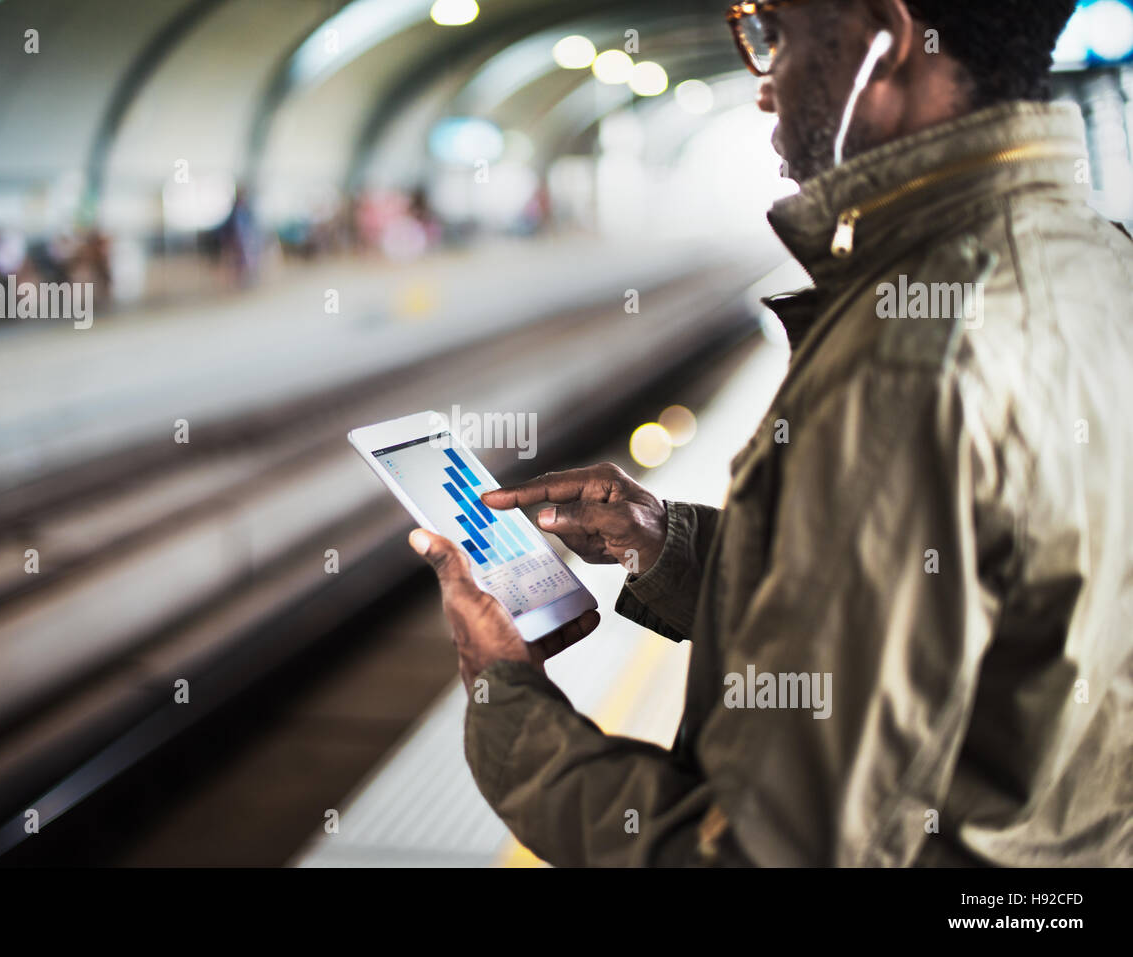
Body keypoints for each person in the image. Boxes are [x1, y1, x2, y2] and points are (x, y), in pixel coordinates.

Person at [409, 0, 1132, 866]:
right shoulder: (1094, 259)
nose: (762, 88)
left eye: (774, 38)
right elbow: (957, 603)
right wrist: (667, 544)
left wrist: (509, 703)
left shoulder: (909, 358)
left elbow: (757, 855)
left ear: (885, 40)